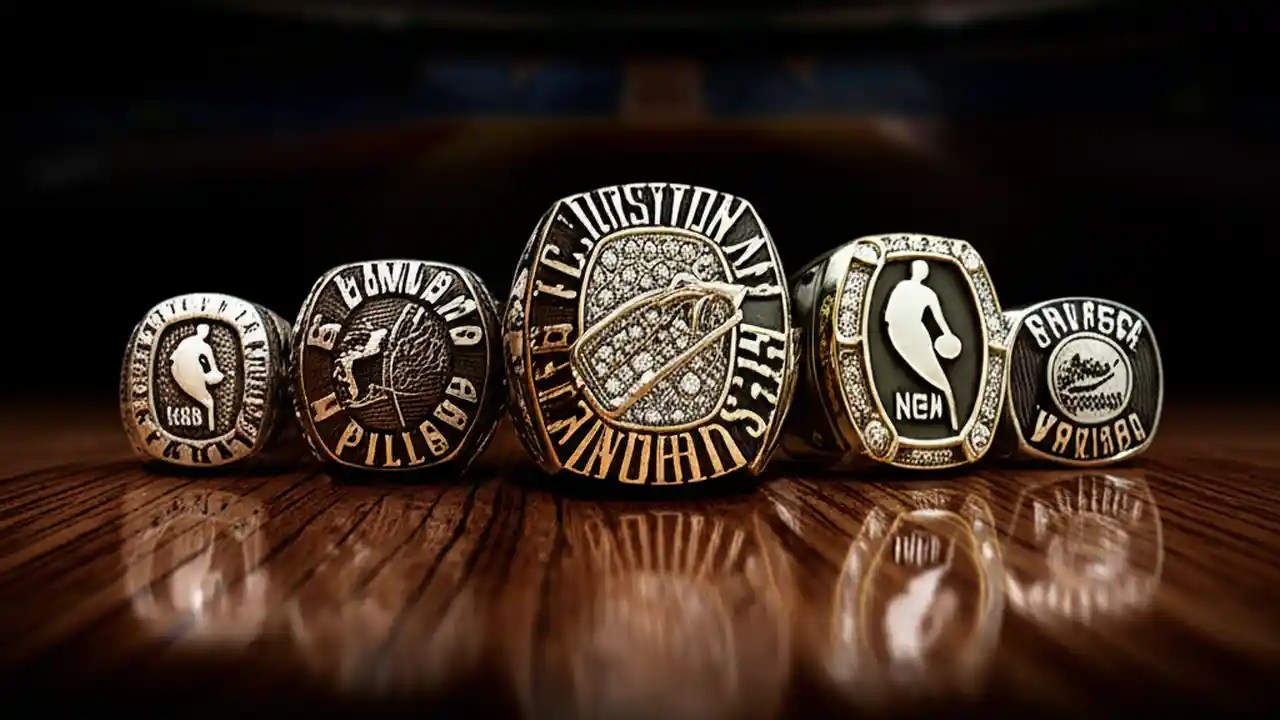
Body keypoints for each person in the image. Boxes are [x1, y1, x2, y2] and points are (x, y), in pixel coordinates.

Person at [884, 260, 961, 430]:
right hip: (906, 333)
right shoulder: (914, 290)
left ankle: (953, 418)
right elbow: (938, 319)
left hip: (906, 332)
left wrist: (948, 334)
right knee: (939, 380)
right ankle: (952, 415)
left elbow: (938, 319)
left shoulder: (913, 289)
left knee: (938, 378)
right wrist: (947, 333)